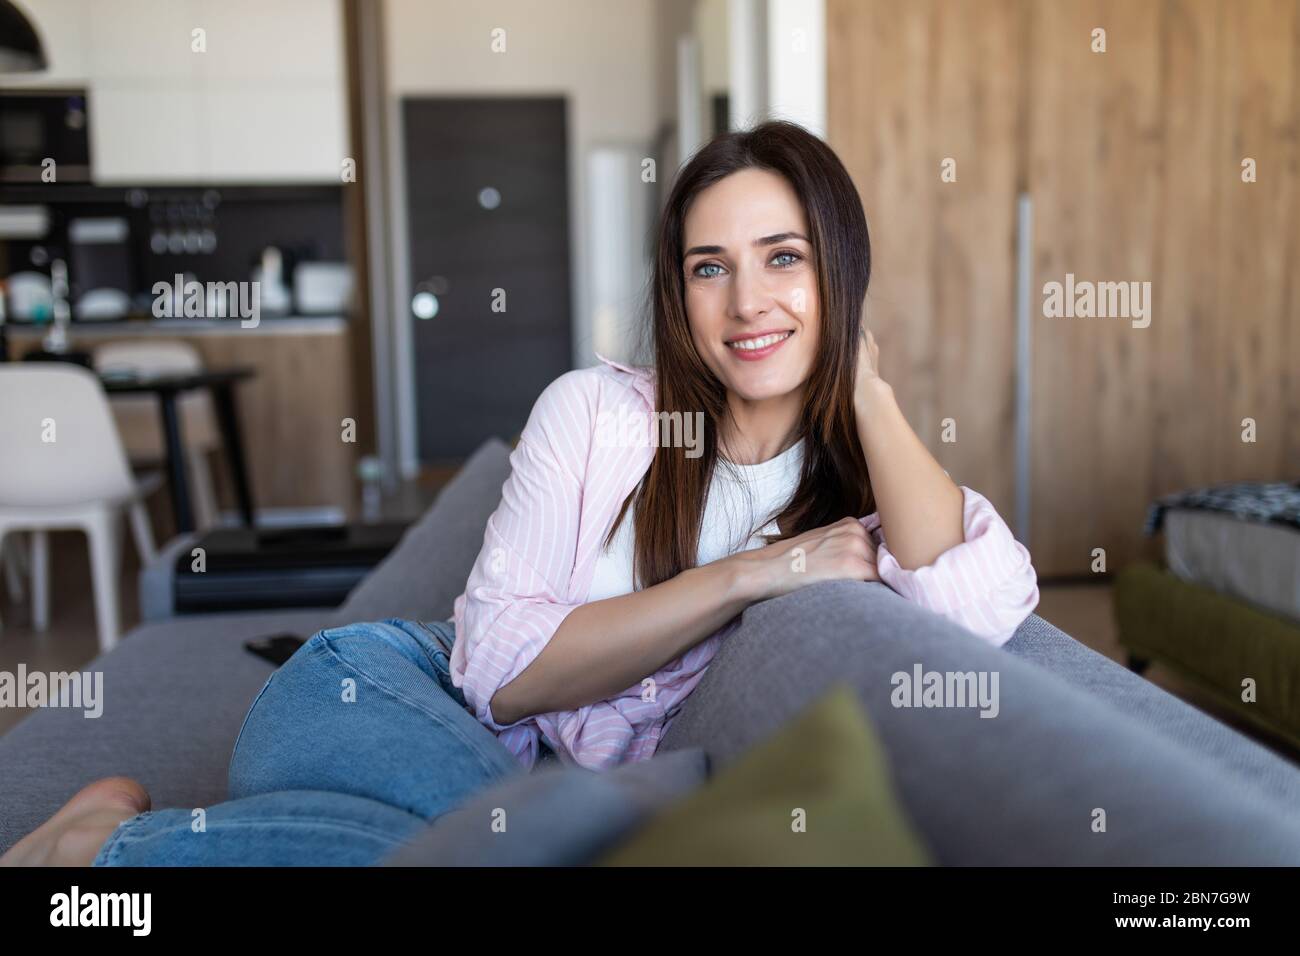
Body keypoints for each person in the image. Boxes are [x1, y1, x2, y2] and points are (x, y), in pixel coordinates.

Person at [1, 120, 1037, 867]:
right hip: (375, 695)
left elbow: (974, 604)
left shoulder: (860, 492)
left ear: (839, 272)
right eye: (708, 267)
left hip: (474, 786)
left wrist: (863, 386)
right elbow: (496, 671)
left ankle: (101, 852)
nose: (747, 300)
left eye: (784, 258)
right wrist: (746, 574)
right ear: (676, 292)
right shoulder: (596, 411)